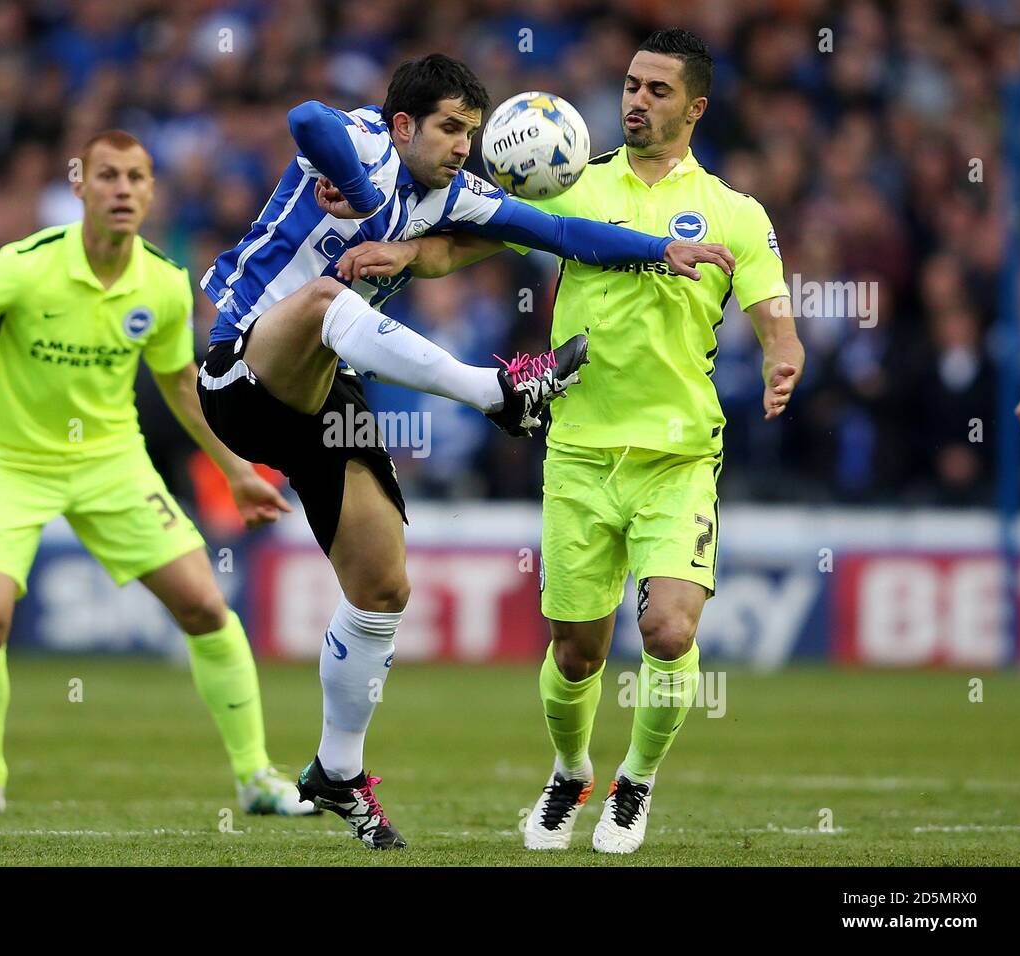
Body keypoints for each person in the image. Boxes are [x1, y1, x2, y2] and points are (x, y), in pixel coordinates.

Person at [195, 53, 734, 849]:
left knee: (382, 586)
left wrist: (659, 250)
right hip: (242, 369)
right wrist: (370, 198)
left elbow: (557, 232)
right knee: (323, 298)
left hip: (324, 393)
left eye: (471, 133)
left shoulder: (456, 195)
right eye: (449, 128)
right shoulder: (361, 141)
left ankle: (337, 771)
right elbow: (305, 118)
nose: (462, 146)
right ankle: (494, 392)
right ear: (402, 125)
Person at [341, 30, 803, 854]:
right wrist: (403, 252)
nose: (636, 101)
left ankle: (636, 784)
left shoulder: (736, 211)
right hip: (580, 451)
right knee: (577, 653)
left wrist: (783, 355)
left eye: (657, 90)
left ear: (695, 107)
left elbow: (772, 310)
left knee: (669, 631)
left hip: (678, 457)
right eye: (631, 85)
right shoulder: (569, 181)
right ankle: (569, 771)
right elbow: (470, 242)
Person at [0, 130, 314, 820]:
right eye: (108, 175)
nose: (123, 189)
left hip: (111, 463)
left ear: (151, 192)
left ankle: (256, 777)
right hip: (11, 462)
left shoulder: (164, 282)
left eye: (136, 178)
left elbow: (181, 383)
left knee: (207, 608)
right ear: (80, 186)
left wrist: (236, 470)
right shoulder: (24, 266)